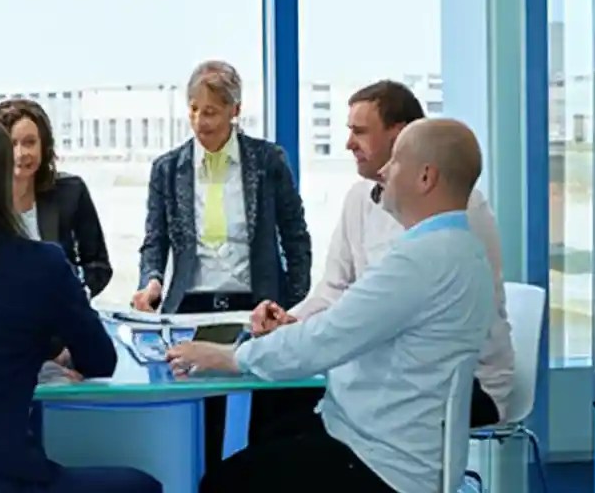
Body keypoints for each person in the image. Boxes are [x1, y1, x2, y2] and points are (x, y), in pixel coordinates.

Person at [168, 118, 496, 493]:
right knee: (274, 431)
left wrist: (229, 356)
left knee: (223, 482)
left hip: (380, 461)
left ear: (426, 177)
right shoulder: (464, 251)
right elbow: (351, 329)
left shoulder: (421, 260)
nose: (384, 169)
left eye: (397, 160)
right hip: (399, 447)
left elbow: (330, 336)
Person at [248, 80, 514, 442]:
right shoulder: (360, 197)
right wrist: (293, 322)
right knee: (276, 405)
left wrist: (306, 341)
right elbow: (335, 289)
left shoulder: (454, 211)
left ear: (402, 135)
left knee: (292, 405)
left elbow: (386, 315)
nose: (348, 144)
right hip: (390, 365)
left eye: (360, 132)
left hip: (457, 382)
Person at [0, 121, 161, 493]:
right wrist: (50, 349)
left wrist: (32, 345)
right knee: (143, 486)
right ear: (0, 185)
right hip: (8, 475)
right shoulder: (42, 263)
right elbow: (100, 361)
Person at [130, 59, 312, 470]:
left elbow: (295, 236)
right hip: (191, 310)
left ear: (235, 110)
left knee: (269, 419)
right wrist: (152, 280)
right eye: (193, 109)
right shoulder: (167, 168)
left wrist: (296, 306)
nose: (200, 120)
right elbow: (154, 241)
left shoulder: (267, 162)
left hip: (256, 307)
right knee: (201, 422)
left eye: (210, 111)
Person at [0, 98, 112, 298]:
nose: (21, 153)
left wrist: (76, 295)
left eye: (29, 142)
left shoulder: (71, 191)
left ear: (44, 146)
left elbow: (98, 265)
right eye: (11, 144)